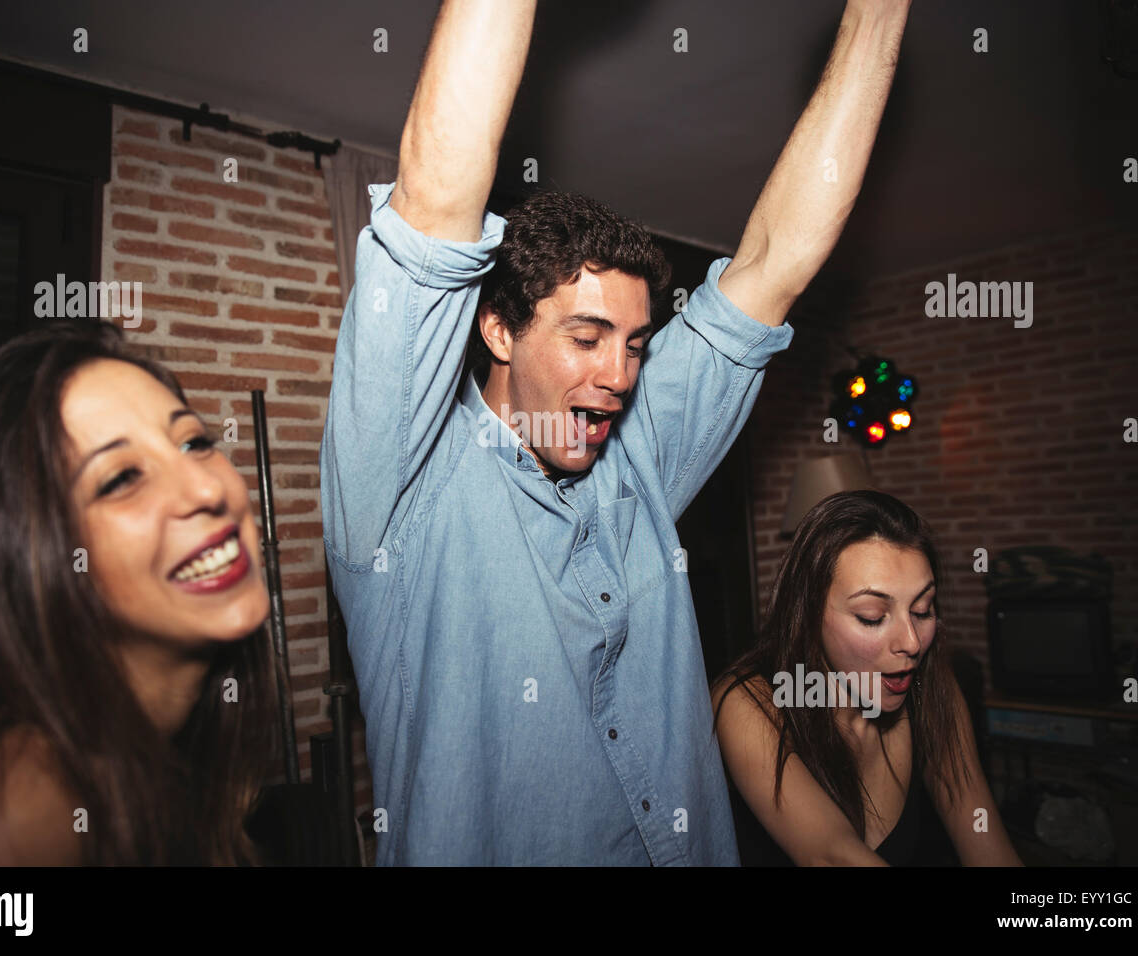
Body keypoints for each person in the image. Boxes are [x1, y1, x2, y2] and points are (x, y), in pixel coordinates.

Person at [321, 0, 914, 864]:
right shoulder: (401, 487)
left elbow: (774, 261)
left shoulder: (633, 455)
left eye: (635, 344)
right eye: (586, 337)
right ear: (497, 330)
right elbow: (434, 199)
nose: (621, 375)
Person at [0, 320, 278, 865]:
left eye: (195, 442)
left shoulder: (179, 763)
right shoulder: (6, 808)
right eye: (120, 479)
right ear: (31, 554)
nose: (208, 488)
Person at [712, 490, 1023, 866]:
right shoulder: (749, 702)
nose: (911, 643)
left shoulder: (932, 690)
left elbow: (986, 843)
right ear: (807, 616)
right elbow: (831, 855)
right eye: (873, 616)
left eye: (923, 610)